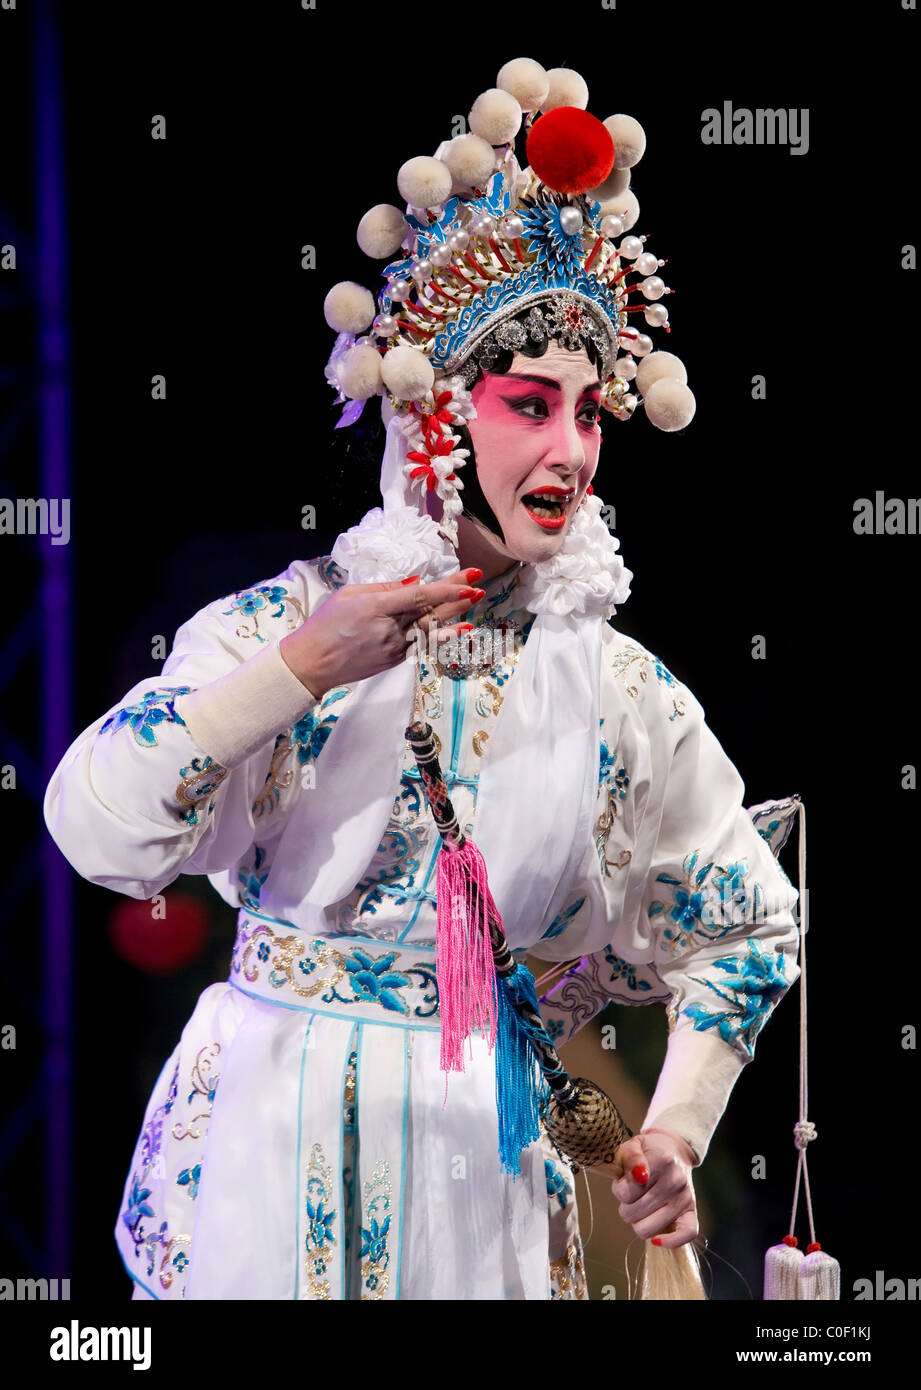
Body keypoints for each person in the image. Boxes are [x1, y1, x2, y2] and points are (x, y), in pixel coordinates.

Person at [43, 59, 800, 1301]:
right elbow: (95, 824)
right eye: (526, 405)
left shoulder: (616, 690)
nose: (569, 452)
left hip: (483, 1177)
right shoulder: (288, 627)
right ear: (435, 415)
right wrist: (302, 668)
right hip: (266, 1158)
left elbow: (751, 921)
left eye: (589, 412)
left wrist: (676, 1129)